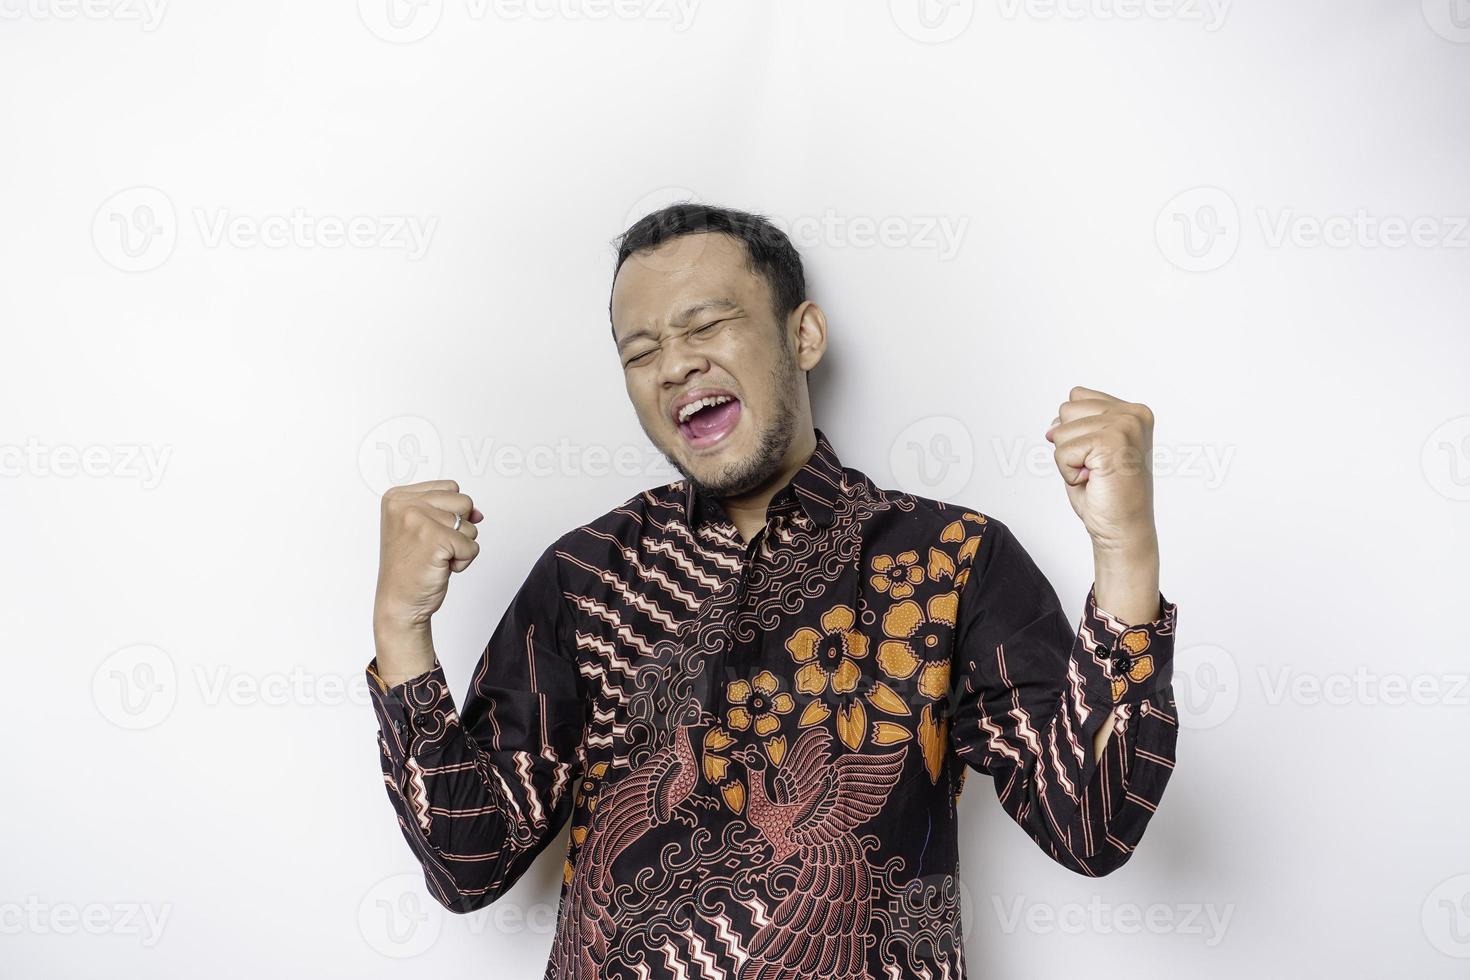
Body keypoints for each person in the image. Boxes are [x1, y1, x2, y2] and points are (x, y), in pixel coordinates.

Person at [366, 204, 1179, 979]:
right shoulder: (586, 579)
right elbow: (468, 864)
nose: (675, 363)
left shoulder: (951, 561)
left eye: (706, 324)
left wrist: (1125, 551)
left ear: (805, 334)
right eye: (640, 350)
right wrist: (403, 633)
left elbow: (1090, 826)